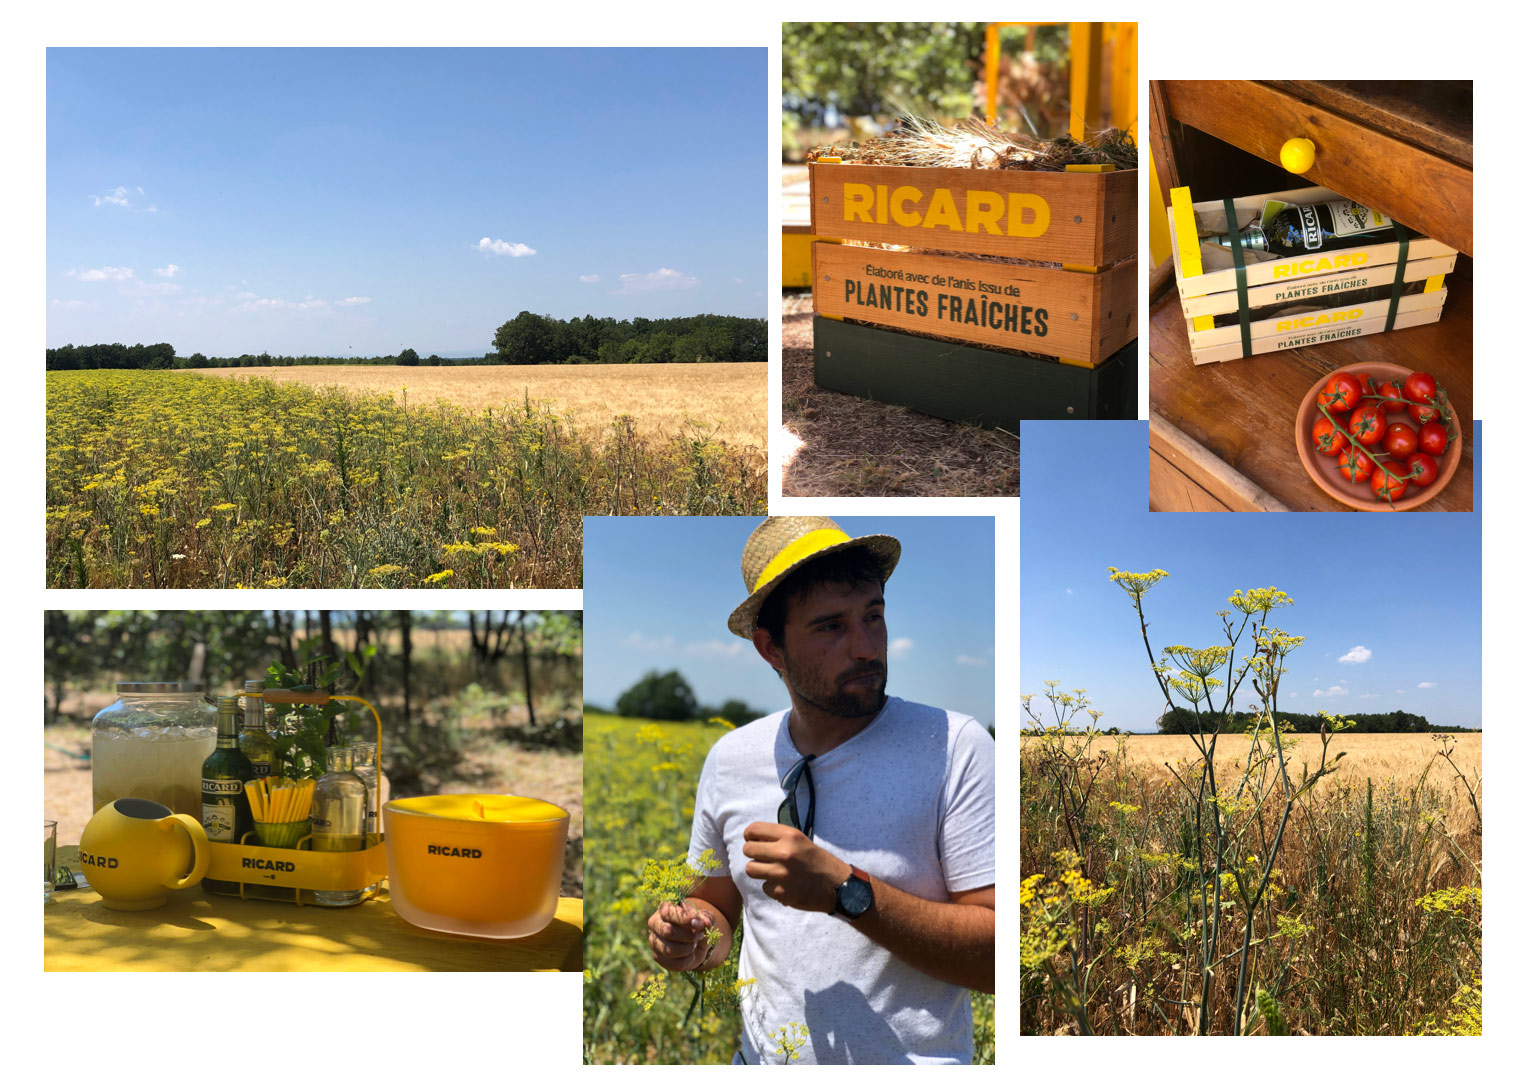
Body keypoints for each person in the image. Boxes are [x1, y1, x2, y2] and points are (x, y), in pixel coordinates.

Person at [645, 515, 995, 1064]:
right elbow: (714, 911)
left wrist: (844, 892)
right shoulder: (730, 759)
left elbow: (997, 960)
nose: (865, 647)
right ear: (771, 649)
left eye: (873, 616)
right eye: (830, 626)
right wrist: (688, 937)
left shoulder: (956, 745)